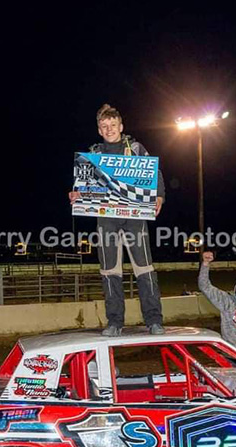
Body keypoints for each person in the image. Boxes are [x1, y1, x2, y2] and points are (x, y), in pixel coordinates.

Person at [69, 104, 166, 337]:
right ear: (99, 130)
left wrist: (160, 195)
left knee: (144, 269)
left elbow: (155, 172)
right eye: (104, 126)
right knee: (109, 271)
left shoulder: (135, 148)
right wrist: (77, 194)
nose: (109, 129)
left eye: (113, 125)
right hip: (107, 220)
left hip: (134, 218)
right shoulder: (93, 153)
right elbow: (85, 185)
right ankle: (114, 322)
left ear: (121, 127)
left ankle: (154, 320)